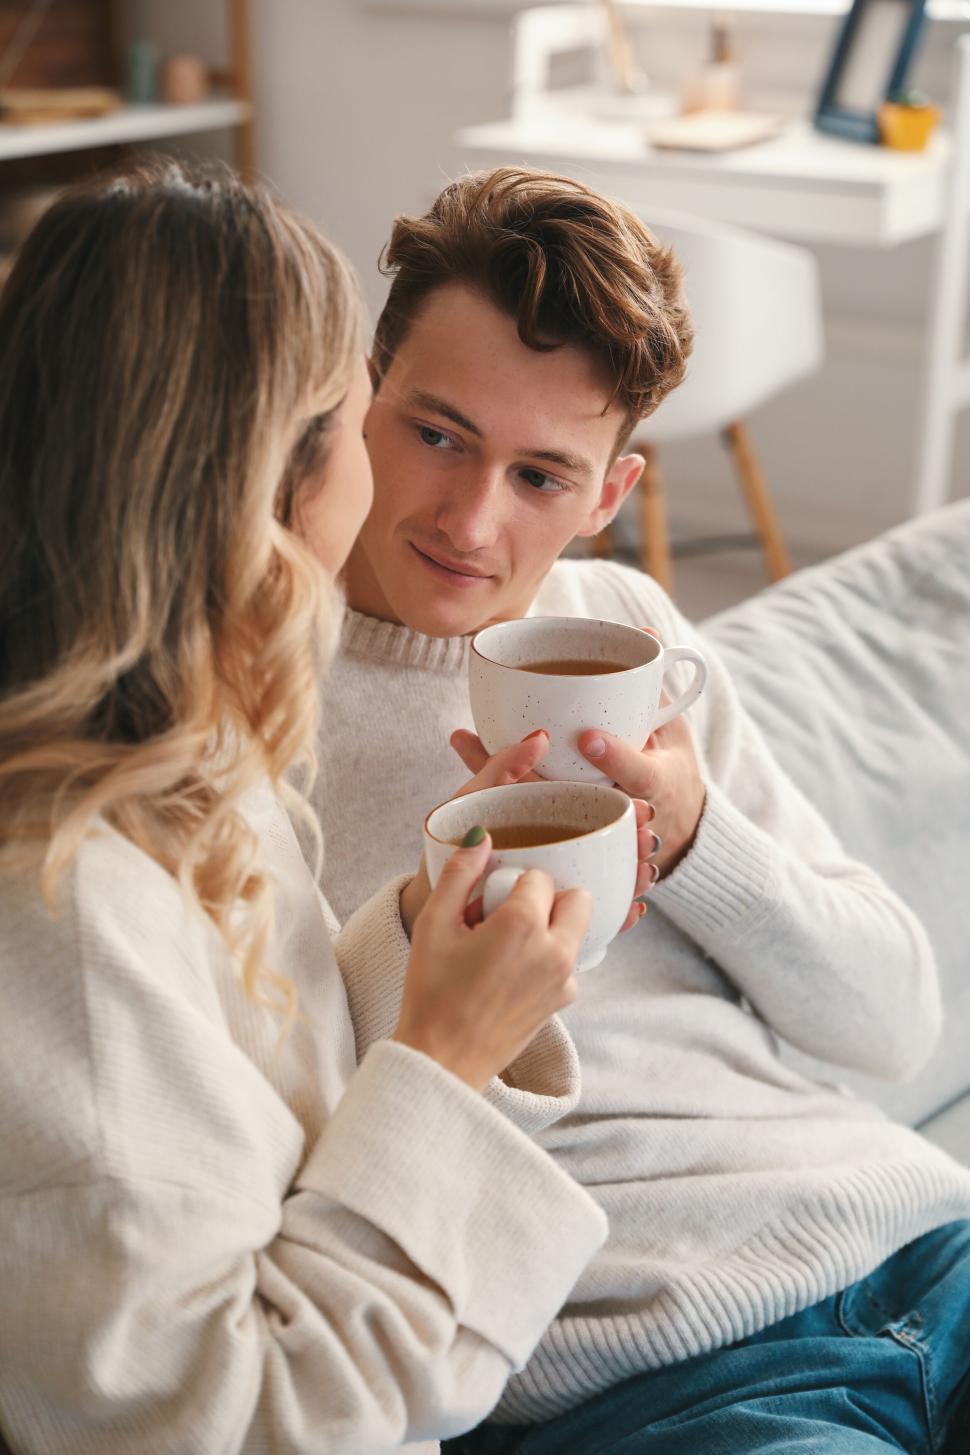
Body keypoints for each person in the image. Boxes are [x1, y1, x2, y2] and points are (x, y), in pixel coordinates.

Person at [303, 167, 970, 1452]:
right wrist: (428, 931)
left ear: (611, 498)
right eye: (435, 433)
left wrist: (698, 839)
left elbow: (890, 1021)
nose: (470, 518)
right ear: (356, 404)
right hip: (649, 1366)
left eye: (543, 476)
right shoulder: (247, 695)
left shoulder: (630, 634)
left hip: (915, 1238)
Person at [0, 159, 611, 1455]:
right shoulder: (67, 918)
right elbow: (236, 1421)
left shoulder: (186, 761)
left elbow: (250, 1073)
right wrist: (442, 1055)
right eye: (371, 420)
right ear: (272, 484)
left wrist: (423, 940)